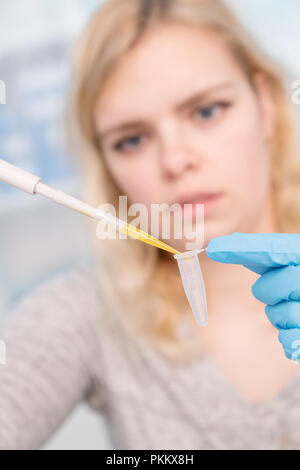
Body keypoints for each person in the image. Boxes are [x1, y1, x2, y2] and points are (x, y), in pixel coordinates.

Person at [1, 0, 300, 450]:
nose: (175, 159)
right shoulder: (87, 312)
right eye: (133, 139)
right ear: (107, 164)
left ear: (265, 107)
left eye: (206, 111)